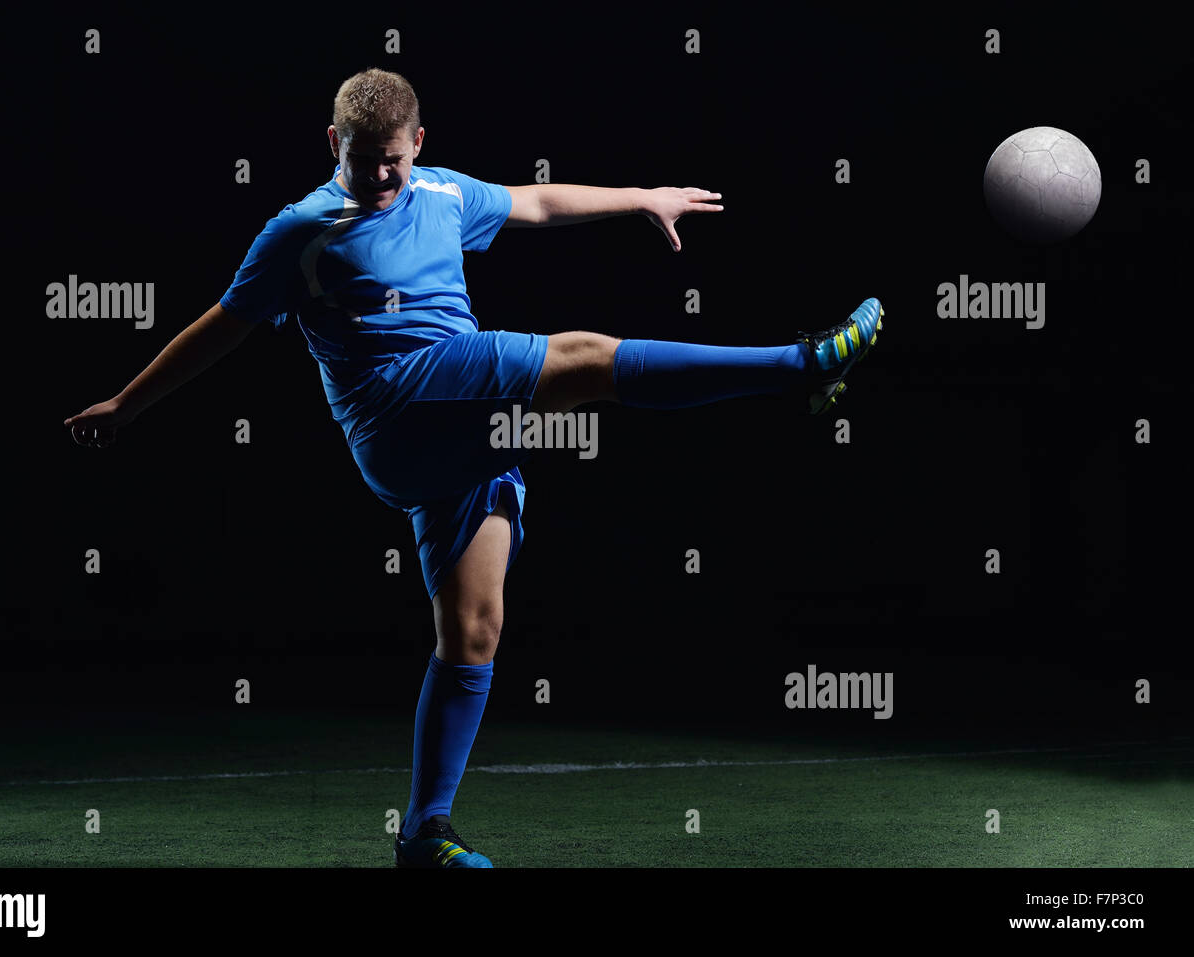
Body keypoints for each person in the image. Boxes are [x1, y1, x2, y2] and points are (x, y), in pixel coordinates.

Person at [64, 68, 882, 868]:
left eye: (393, 156)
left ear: (417, 142)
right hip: (397, 409)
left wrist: (643, 198)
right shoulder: (299, 228)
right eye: (361, 157)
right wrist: (127, 404)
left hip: (460, 430)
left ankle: (424, 833)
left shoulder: (446, 193)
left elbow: (538, 201)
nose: (380, 175)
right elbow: (222, 325)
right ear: (331, 143)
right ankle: (799, 365)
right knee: (584, 358)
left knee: (474, 629)